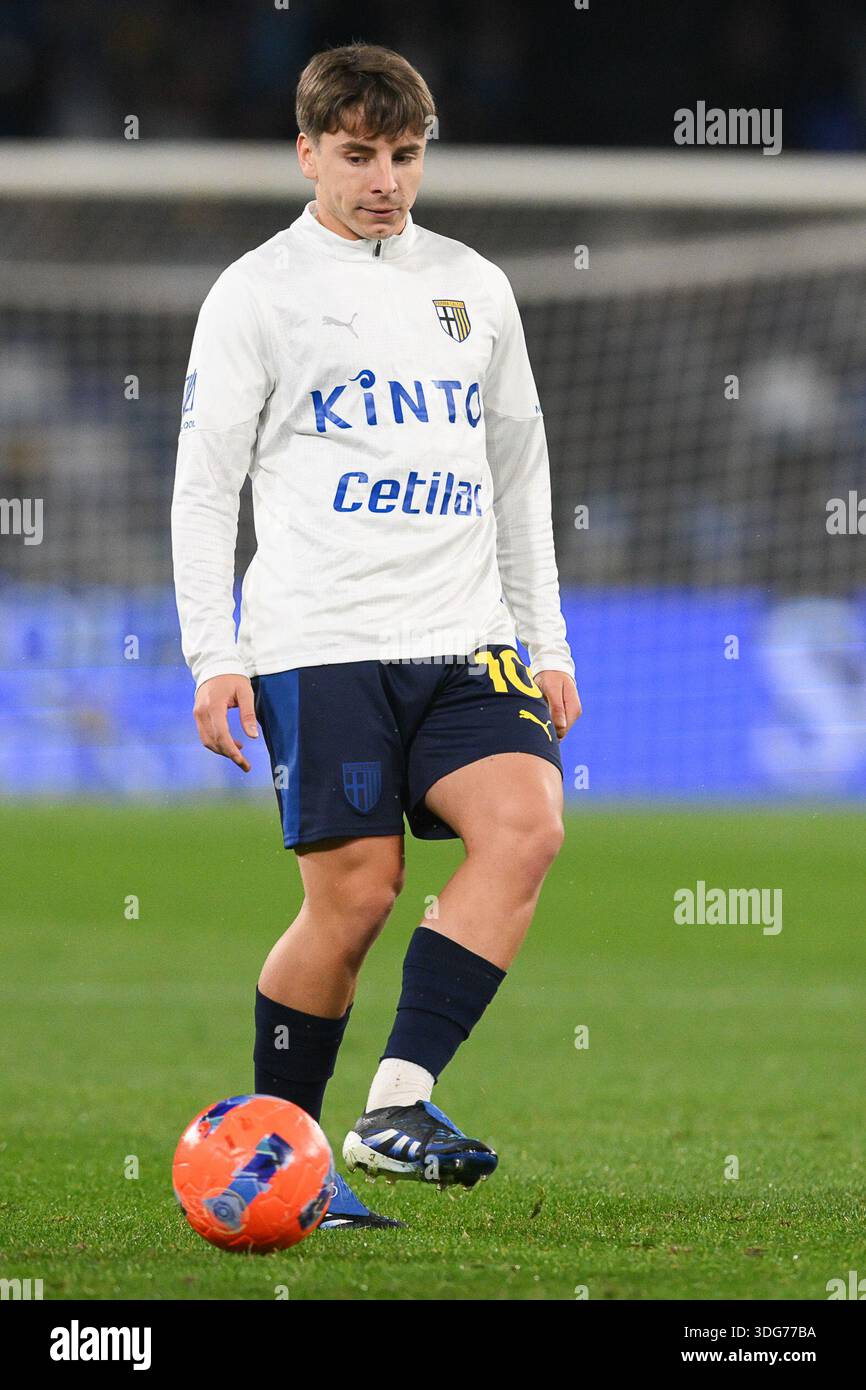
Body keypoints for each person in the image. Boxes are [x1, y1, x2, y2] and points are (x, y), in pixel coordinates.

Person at [171, 42, 581, 1230]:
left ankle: (394, 1104)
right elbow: (205, 488)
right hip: (322, 636)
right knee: (356, 898)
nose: (385, 180)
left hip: (466, 634)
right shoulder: (256, 292)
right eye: (358, 155)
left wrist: (543, 640)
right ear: (306, 152)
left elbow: (518, 477)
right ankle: (278, 1158)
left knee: (526, 824)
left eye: (403, 155)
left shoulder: (473, 286)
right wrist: (215, 655)